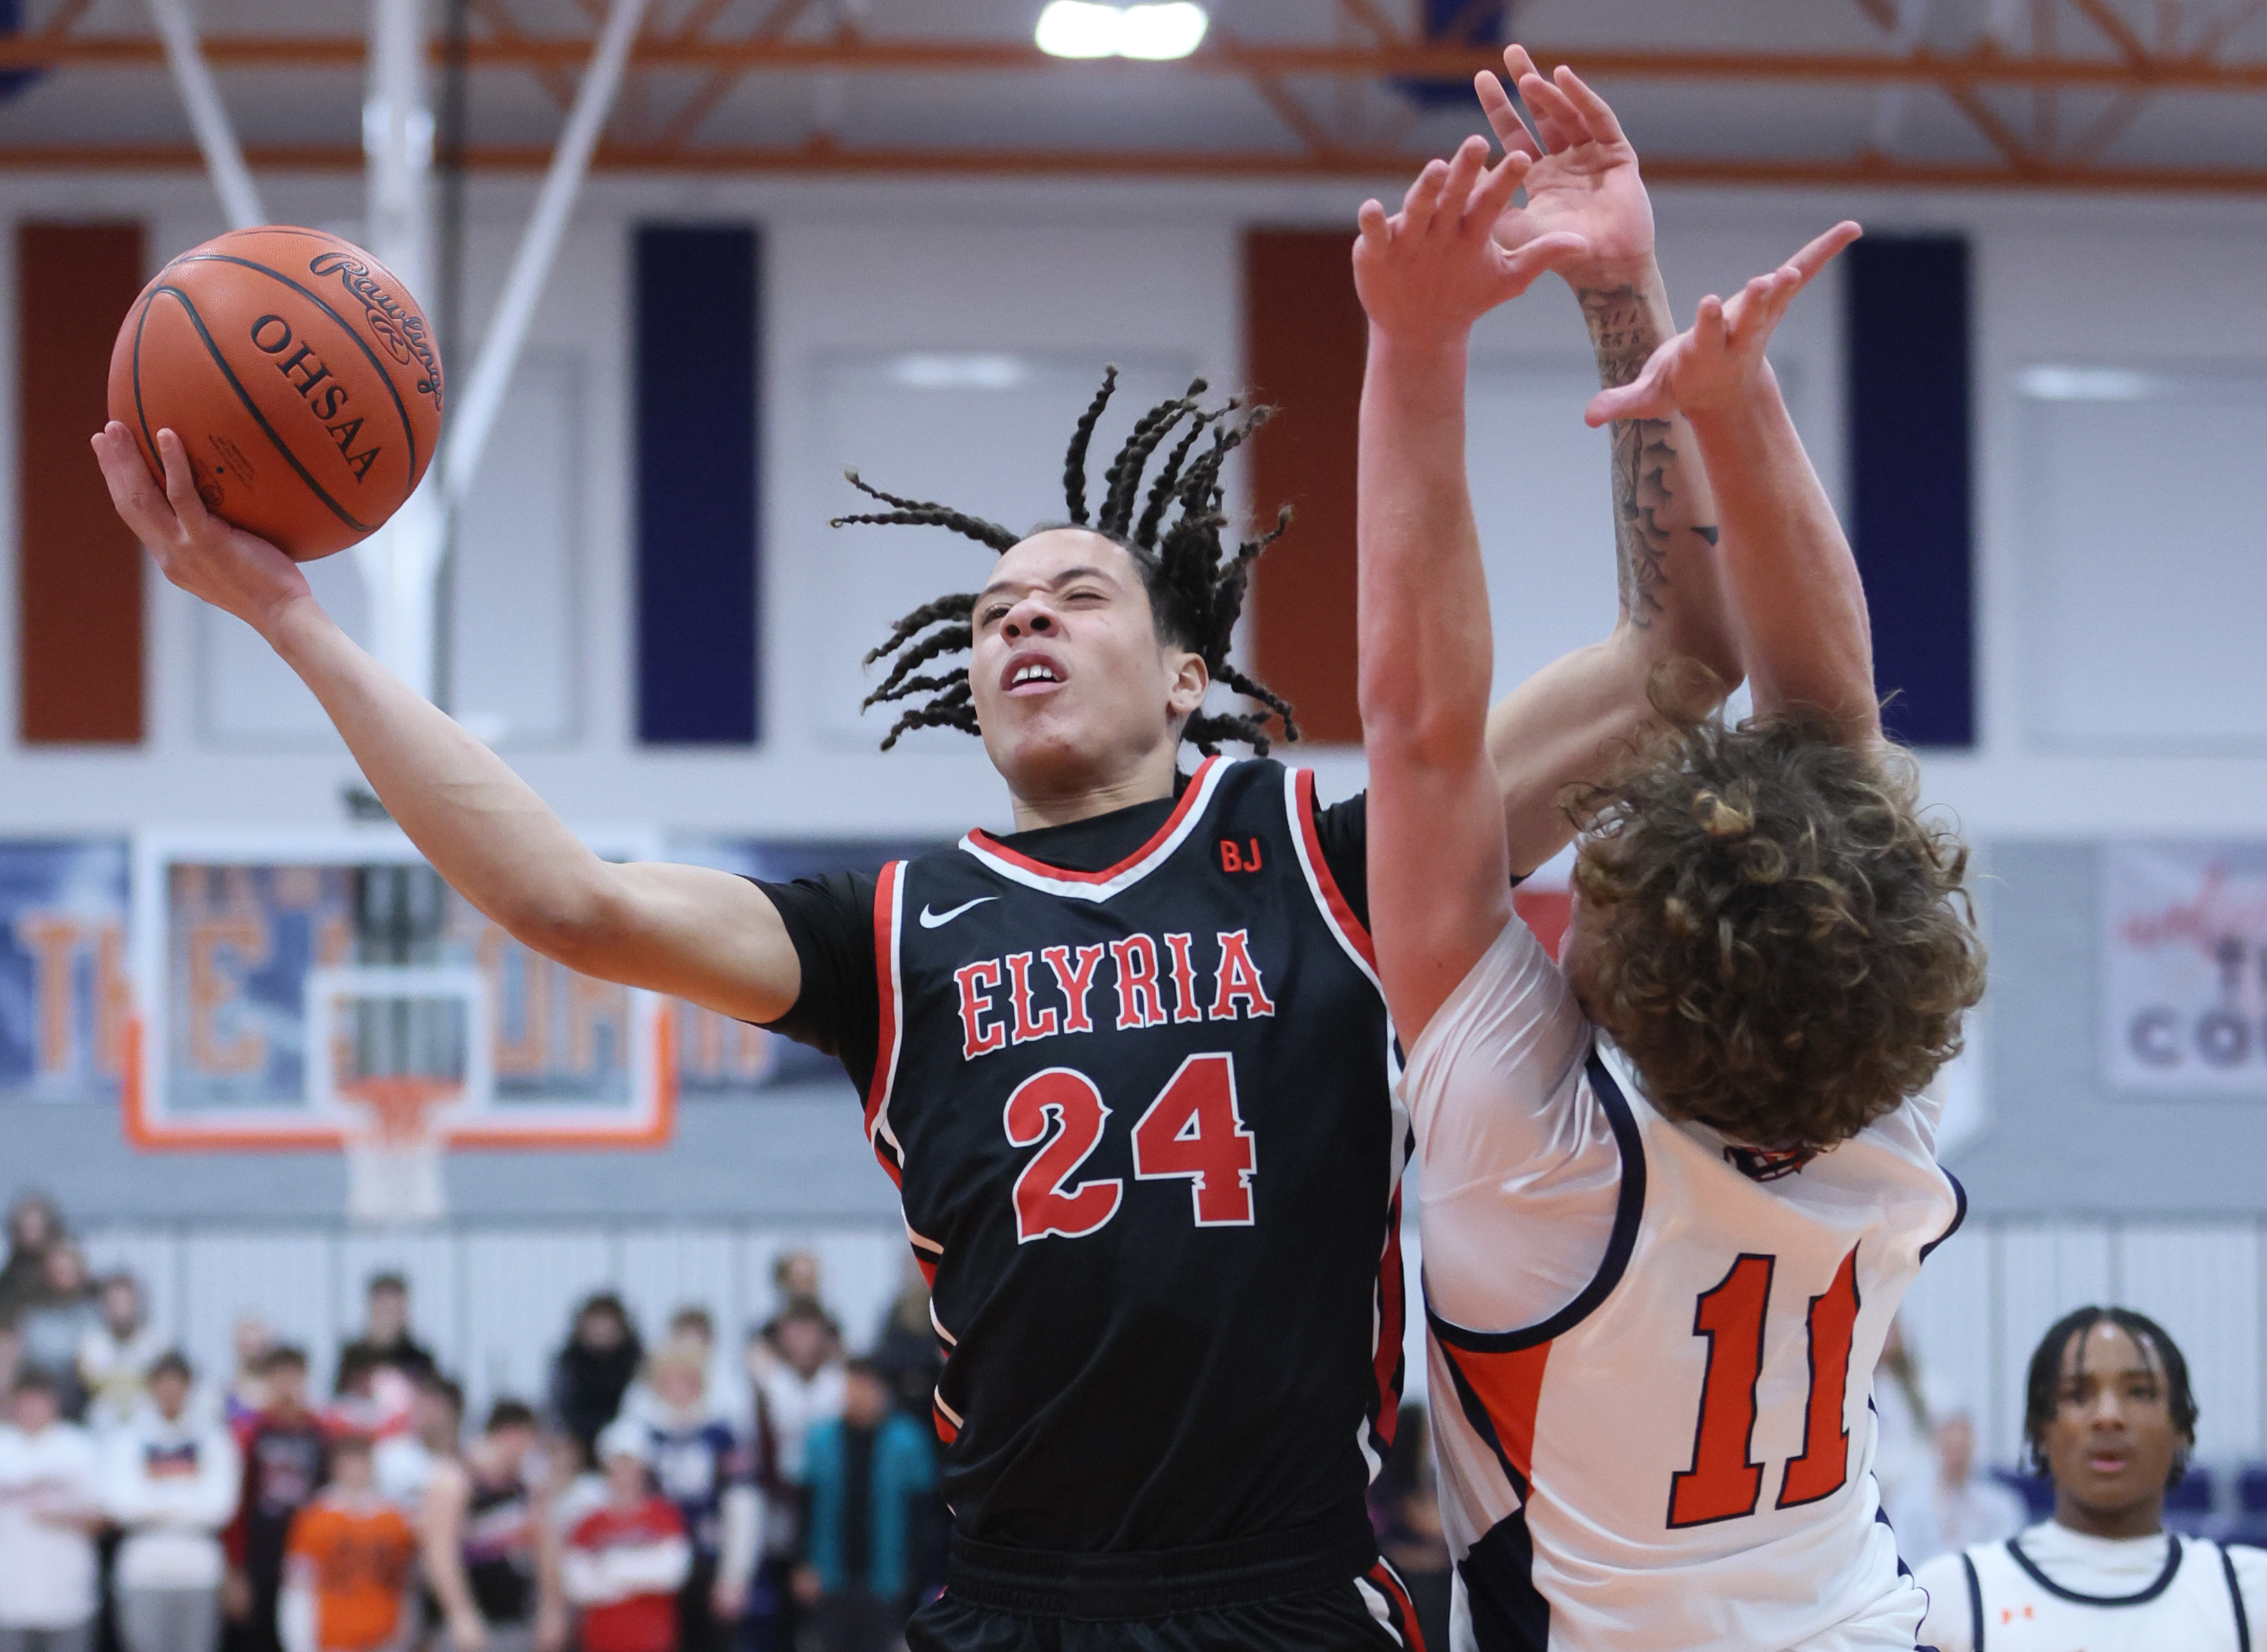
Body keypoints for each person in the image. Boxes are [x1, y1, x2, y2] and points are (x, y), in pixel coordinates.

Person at [92, 123, 1724, 1639]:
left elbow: (1678, 659)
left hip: (1282, 1589)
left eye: (1073, 594)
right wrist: (287, 618)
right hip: (1008, 1591)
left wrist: (1612, 296)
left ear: (1177, 676)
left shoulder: (1329, 852)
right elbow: (561, 898)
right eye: (992, 607)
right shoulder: (889, 929)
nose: (1017, 618)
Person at [1352, 45, 1984, 1651]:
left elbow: (1810, 708)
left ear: (1618, 963)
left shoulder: (1551, 1167)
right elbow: (1815, 712)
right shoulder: (1879, 1129)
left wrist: (1695, 366)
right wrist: (1432, 346)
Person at [1914, 1308, 2267, 1650]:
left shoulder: (2249, 1594)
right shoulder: (1950, 1596)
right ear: (2039, 1429)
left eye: (2140, 1391)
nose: (2109, 1417)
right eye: (2078, 1394)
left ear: (2182, 1427)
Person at [792, 1360, 934, 1652]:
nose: (861, 1393)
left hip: (888, 1576)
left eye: (870, 1385)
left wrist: (916, 1572)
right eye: (854, 1384)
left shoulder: (908, 1439)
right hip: (830, 1575)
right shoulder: (820, 1439)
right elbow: (804, 1508)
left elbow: (924, 1514)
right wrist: (803, 1564)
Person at [104, 1352, 242, 1652]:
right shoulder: (127, 1439)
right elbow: (121, 1506)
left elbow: (220, 1508)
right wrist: (187, 1495)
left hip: (199, 1571)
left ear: (189, 1387)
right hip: (142, 1571)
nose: (169, 1391)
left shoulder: (214, 1439)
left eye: (177, 1383)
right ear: (150, 1388)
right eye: (162, 1383)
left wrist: (154, 1497)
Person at [636, 1345, 755, 1652]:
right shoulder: (643, 1438)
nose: (677, 1390)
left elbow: (742, 1508)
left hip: (709, 1560)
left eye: (685, 1380)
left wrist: (734, 1576)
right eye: (668, 1381)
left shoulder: (720, 1436)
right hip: (659, 1567)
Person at [420, 1400, 559, 1652]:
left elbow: (545, 1547)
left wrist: (551, 1609)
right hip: (471, 1622)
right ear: (509, 1434)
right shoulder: (455, 1480)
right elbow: (439, 1554)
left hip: (515, 1618)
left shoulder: (526, 1484)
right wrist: (460, 1614)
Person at [225, 1348, 329, 1652]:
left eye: (294, 1377)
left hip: (307, 1559)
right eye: (279, 1377)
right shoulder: (250, 1434)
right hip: (260, 1557)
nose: (287, 1386)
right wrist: (235, 1571)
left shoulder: (320, 1434)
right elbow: (237, 1507)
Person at [277, 1436, 417, 1652]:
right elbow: (298, 1584)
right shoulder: (315, 1517)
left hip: (385, 1639)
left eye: (362, 1463)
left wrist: (405, 1637)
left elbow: (406, 1584)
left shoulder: (395, 1520)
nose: (355, 1471)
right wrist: (301, 1643)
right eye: (348, 1464)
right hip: (333, 1640)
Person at [0, 1369, 105, 1652]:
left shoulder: (79, 1448)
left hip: (67, 1600)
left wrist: (60, 1515)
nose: (33, 1410)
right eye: (25, 1402)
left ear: (54, 1403)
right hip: (8, 1601)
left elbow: (103, 1519)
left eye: (40, 1401)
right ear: (13, 1404)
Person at [561, 1422, 689, 1652]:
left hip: (653, 1641)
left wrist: (610, 1567)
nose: (624, 1472)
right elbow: (578, 1586)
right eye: (617, 1463)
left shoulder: (664, 1516)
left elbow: (671, 1573)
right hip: (601, 1641)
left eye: (630, 1463)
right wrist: (643, 1570)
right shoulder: (588, 1523)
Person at [1888, 1408, 2024, 1567]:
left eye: (1962, 1446)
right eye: (1950, 1445)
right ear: (1936, 1445)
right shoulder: (1908, 1506)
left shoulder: (2001, 1506)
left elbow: (2009, 1563)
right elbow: (1900, 1563)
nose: (1957, 1456)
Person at [547, 1299, 642, 1462]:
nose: (601, 1331)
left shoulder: (636, 1362)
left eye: (607, 1324)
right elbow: (560, 1409)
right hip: (578, 1445)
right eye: (596, 1324)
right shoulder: (569, 1363)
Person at [16, 1244, 102, 1420]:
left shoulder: (96, 1314)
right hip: (44, 1396)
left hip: (88, 1400)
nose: (63, 1279)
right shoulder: (33, 1317)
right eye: (58, 1272)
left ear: (80, 1273)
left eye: (69, 1271)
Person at [78, 1274, 167, 1437]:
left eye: (127, 1303)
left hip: (148, 1427)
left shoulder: (156, 1344)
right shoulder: (92, 1343)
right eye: (115, 1303)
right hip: (101, 1427)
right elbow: (90, 1382)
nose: (121, 1310)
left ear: (138, 1304)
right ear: (104, 1306)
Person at [335, 1277, 437, 1396]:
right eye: (383, 1309)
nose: (387, 1318)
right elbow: (340, 1400)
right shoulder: (352, 1357)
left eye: (393, 1310)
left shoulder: (420, 1359)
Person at [0, 1194, 62, 1327]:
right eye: (28, 1227)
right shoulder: (10, 1278)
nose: (33, 1234)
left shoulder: (65, 1272)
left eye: (38, 1227)